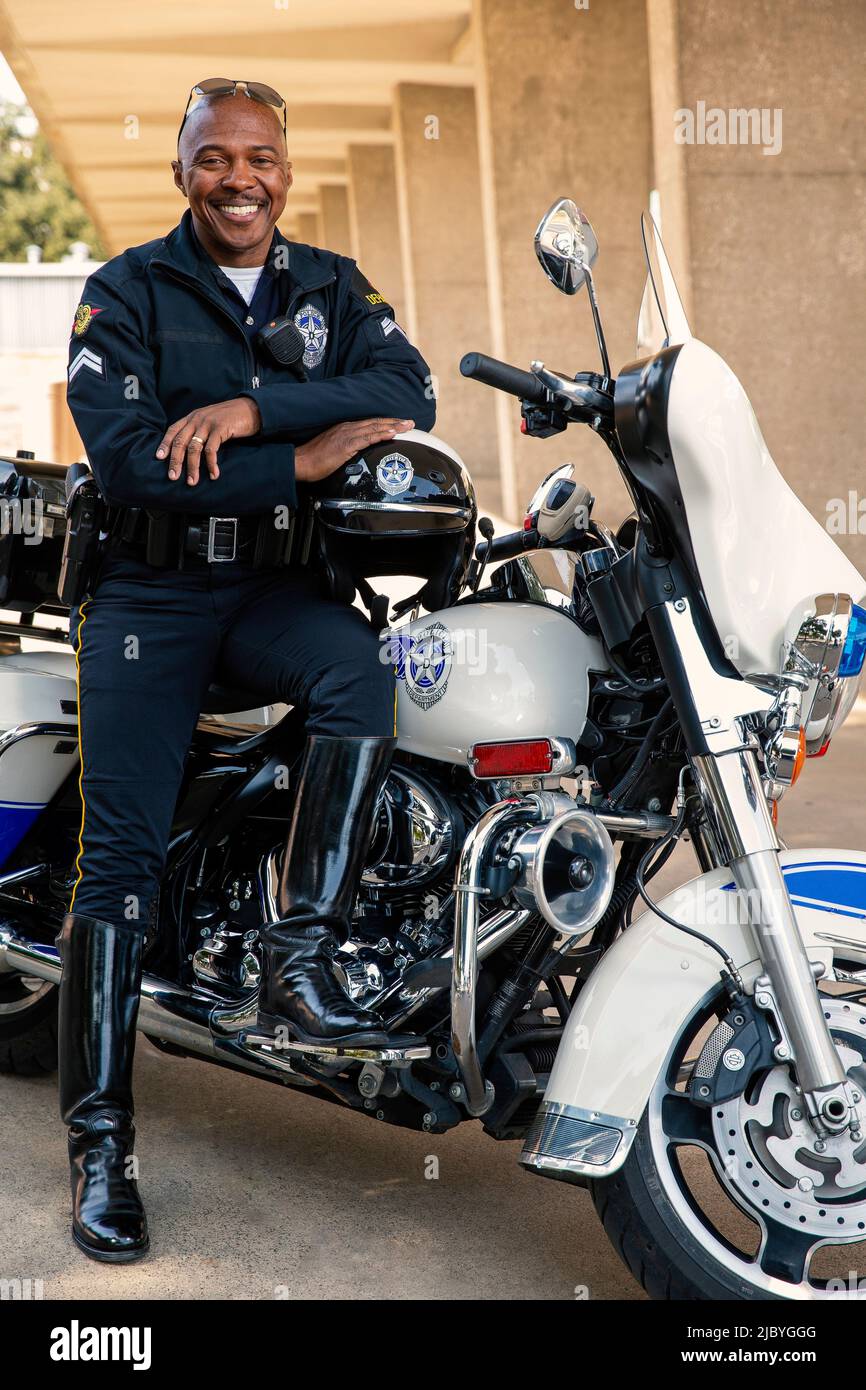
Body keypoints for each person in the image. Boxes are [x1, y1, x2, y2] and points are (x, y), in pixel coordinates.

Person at [62, 77, 435, 1263]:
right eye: (214, 158)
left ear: (287, 167)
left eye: (260, 158)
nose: (240, 178)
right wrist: (303, 459)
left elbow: (406, 388)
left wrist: (256, 407)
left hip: (279, 593)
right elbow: (129, 466)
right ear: (182, 172)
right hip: (152, 598)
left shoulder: (329, 282)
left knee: (360, 684)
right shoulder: (122, 291)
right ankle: (102, 1144)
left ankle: (298, 955)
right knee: (116, 864)